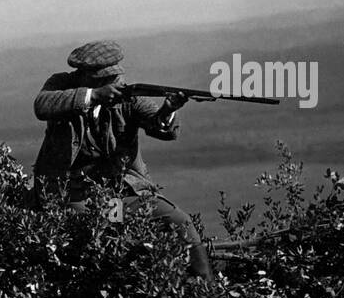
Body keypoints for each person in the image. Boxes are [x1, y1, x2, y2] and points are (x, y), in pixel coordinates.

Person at [32, 40, 211, 280]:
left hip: (118, 194)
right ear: (86, 77)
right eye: (106, 81)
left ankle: (208, 294)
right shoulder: (61, 84)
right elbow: (42, 105)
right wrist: (93, 96)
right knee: (98, 234)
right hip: (70, 194)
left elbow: (163, 130)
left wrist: (168, 109)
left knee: (180, 221)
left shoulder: (127, 99)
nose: (116, 85)